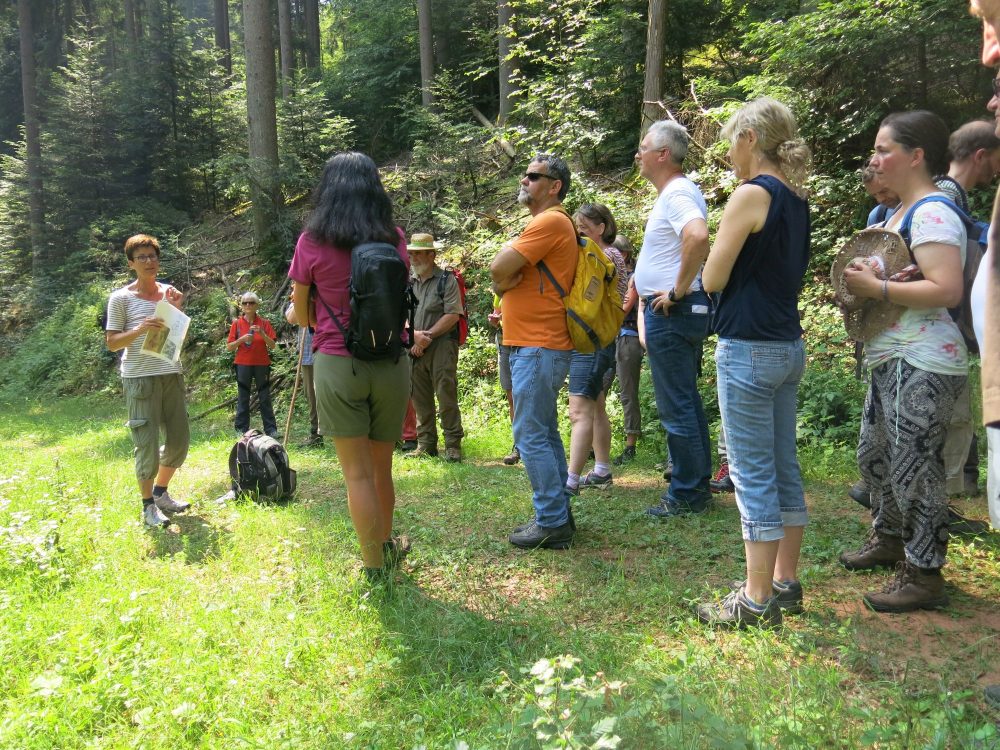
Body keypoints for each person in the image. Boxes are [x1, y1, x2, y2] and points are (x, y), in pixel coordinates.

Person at [839, 110, 968, 613]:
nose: (875, 159)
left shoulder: (933, 213)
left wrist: (877, 287)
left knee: (917, 468)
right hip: (891, 353)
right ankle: (890, 538)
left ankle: (924, 572)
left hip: (926, 357)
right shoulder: (895, 213)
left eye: (884, 149)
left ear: (916, 157)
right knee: (876, 456)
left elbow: (948, 289)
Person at [694, 98, 812, 628]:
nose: (728, 155)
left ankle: (756, 599)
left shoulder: (751, 194)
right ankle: (785, 581)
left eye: (730, 143)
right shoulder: (797, 197)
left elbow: (714, 279)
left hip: (747, 348)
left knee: (752, 470)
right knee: (783, 464)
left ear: (749, 139)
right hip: (788, 346)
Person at [287, 152, 411, 582]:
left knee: (356, 474)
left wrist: (304, 311)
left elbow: (302, 317)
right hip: (392, 363)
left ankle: (373, 567)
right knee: (382, 470)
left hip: (338, 364)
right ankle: (388, 547)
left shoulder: (312, 242)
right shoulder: (394, 238)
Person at [490, 153, 578, 550]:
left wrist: (507, 278)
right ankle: (558, 513)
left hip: (538, 344)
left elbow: (497, 270)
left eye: (533, 176)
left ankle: (552, 521)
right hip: (537, 343)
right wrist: (508, 280)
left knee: (529, 435)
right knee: (544, 432)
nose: (524, 181)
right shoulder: (544, 224)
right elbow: (502, 279)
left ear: (554, 185)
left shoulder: (550, 221)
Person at [633, 120, 714, 518]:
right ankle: (696, 484)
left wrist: (678, 290)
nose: (638, 154)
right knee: (685, 400)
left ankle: (686, 493)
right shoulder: (675, 193)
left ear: (663, 154)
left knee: (676, 404)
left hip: (674, 310)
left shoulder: (678, 191)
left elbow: (698, 237)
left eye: (644, 147)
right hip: (677, 310)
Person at [105, 234, 192, 528]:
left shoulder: (169, 293)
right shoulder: (121, 298)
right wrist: (141, 329)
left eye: (153, 256)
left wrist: (177, 310)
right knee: (147, 444)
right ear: (131, 263)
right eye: (141, 257)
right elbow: (112, 343)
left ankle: (161, 493)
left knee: (179, 441)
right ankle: (147, 508)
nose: (149, 261)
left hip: (170, 373)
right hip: (139, 379)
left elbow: (179, 337)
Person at [566, 204, 628, 492]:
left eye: (584, 225)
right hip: (599, 337)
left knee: (581, 409)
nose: (579, 230)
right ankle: (602, 468)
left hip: (594, 339)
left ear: (601, 227)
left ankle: (571, 478)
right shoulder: (600, 254)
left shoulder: (606, 255)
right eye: (577, 225)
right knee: (596, 405)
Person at [405, 233, 465, 462]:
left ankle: (453, 445)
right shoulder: (409, 283)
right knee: (418, 397)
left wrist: (425, 337)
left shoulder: (446, 280)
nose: (413, 258)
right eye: (411, 253)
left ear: (432, 255)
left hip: (442, 345)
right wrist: (413, 337)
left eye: (418, 253)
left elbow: (453, 314)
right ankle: (426, 444)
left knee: (445, 392)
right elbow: (401, 314)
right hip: (414, 346)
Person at [611, 234, 644, 467]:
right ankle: (593, 443)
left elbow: (623, 309)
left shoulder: (633, 278)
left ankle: (630, 444)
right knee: (597, 388)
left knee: (628, 391)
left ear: (623, 255)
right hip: (611, 337)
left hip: (628, 338)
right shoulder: (613, 279)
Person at [227, 292, 279, 439]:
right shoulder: (237, 324)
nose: (248, 305)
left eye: (251, 303)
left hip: (262, 364)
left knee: (264, 397)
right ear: (241, 306)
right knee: (243, 396)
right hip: (242, 364)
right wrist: (241, 339)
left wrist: (262, 333)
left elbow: (273, 345)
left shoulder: (264, 323)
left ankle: (271, 430)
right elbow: (230, 347)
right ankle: (241, 429)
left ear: (257, 305)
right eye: (245, 303)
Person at [284, 298, 322, 447]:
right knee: (311, 395)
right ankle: (316, 434)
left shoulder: (324, 290)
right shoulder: (301, 293)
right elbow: (292, 318)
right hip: (308, 355)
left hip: (328, 350)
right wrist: (301, 296)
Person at [488, 293, 520, 464]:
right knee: (512, 396)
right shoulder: (500, 289)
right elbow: (497, 312)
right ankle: (519, 445)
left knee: (525, 395)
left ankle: (532, 443)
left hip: (525, 342)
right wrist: (495, 320)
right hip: (504, 341)